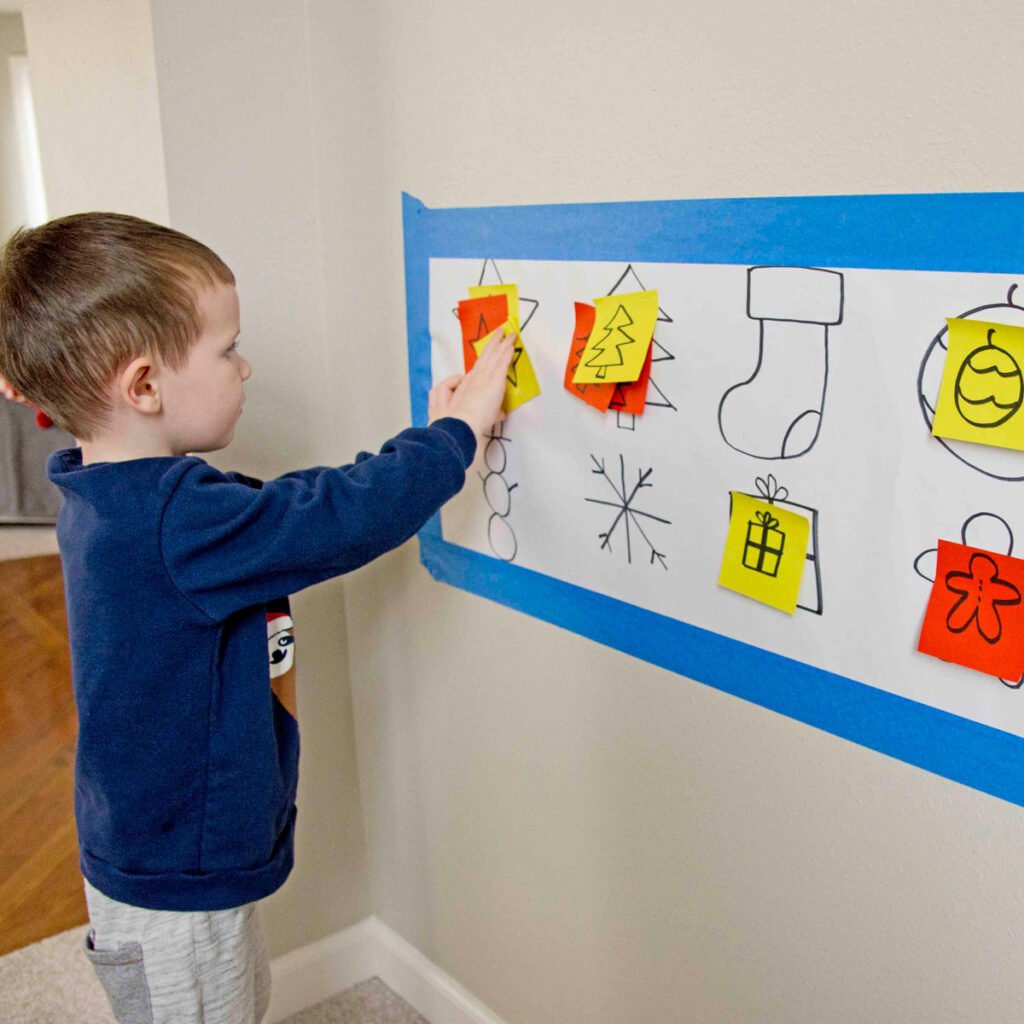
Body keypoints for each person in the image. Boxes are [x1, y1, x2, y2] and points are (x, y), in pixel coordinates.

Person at [0, 212, 514, 1024]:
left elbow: (279, 512)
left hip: (152, 854)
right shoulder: (176, 523)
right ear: (142, 386)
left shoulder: (109, 494)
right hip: (177, 886)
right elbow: (331, 517)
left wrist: (424, 437)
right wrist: (455, 435)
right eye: (227, 349)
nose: (246, 367)